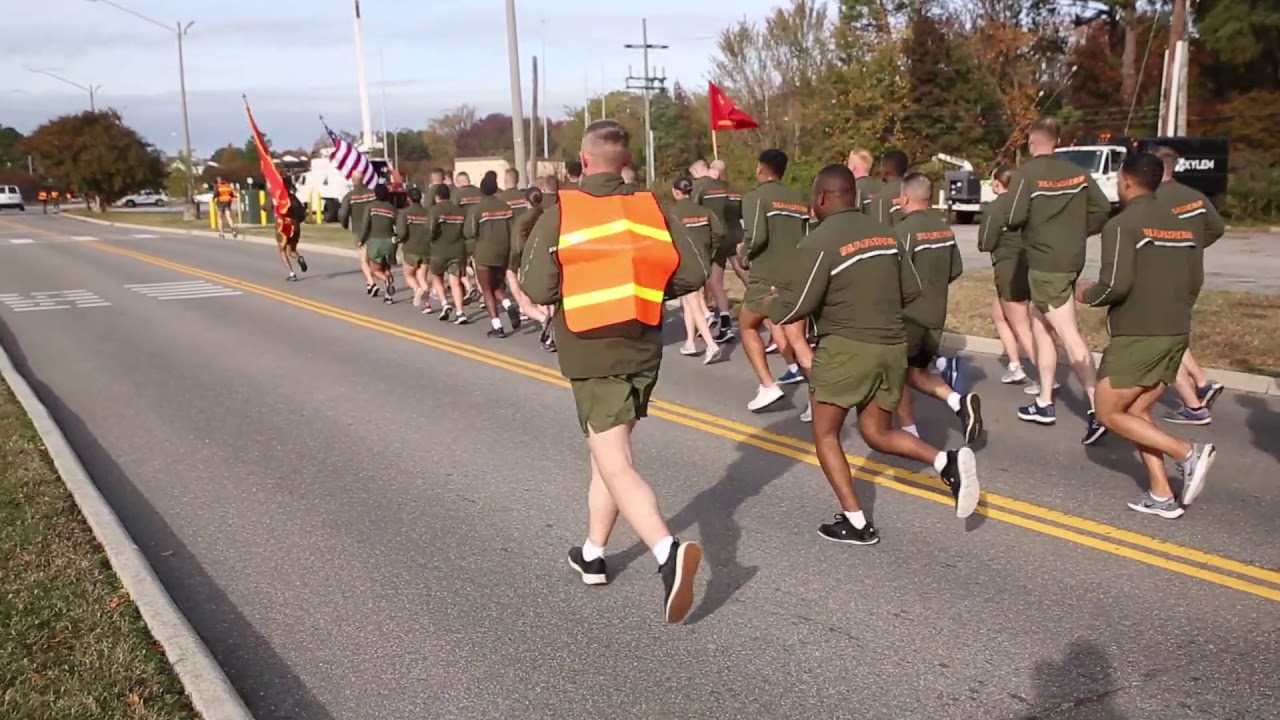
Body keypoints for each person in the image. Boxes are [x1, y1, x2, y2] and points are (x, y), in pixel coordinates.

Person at [521, 119, 707, 624]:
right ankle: (593, 553)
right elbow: (691, 273)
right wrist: (640, 290)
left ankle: (667, 553)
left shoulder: (564, 211)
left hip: (591, 349)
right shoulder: (651, 208)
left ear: (583, 162)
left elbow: (536, 287)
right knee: (608, 453)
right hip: (643, 346)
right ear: (626, 162)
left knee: (616, 461)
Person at [767, 164, 981, 544]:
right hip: (892, 348)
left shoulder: (820, 240)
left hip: (847, 351)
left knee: (825, 434)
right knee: (876, 432)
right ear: (853, 195)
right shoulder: (887, 234)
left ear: (820, 198)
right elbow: (912, 291)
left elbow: (794, 306)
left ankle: (857, 522)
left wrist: (773, 304)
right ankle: (945, 462)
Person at [1077, 151, 1215, 519]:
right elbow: (1195, 280)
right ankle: (1161, 493)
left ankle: (1186, 452)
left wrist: (1086, 293)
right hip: (1175, 330)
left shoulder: (1122, 225)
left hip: (1139, 333)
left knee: (1107, 412)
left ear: (1125, 180)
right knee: (1137, 410)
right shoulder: (1183, 225)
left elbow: (1115, 286)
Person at [1006, 117, 1112, 443]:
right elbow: (1102, 207)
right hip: (1070, 260)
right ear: (1057, 141)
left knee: (1068, 334)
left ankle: (1100, 410)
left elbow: (1013, 216)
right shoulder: (1078, 174)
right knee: (1040, 324)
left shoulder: (1027, 175)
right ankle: (1044, 402)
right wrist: (1078, 231)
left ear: (1031, 143)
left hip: (1045, 263)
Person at [891, 174, 983, 444]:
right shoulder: (943, 228)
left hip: (908, 317)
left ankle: (909, 433)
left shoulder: (904, 231)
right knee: (916, 373)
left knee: (893, 374)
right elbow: (955, 269)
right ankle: (958, 402)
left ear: (905, 198)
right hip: (935, 317)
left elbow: (894, 276)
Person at [1151, 145, 1226, 425]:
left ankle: (1194, 405)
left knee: (1162, 335)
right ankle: (1203, 383)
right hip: (1192, 273)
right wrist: (1193, 246)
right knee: (1174, 329)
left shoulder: (1153, 198)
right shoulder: (1195, 197)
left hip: (1162, 276)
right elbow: (1217, 228)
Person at [740, 149, 810, 413]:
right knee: (798, 340)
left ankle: (768, 385)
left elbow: (756, 236)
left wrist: (744, 255)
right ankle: (819, 402)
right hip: (798, 277)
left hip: (766, 278)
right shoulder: (798, 200)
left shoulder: (755, 197)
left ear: (760, 168)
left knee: (747, 327)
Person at [978, 165, 1040, 389]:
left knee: (1021, 323)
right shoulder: (1027, 205)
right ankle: (1015, 365)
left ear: (997, 182)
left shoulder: (997, 207)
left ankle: (1045, 379)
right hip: (1028, 264)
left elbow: (985, 242)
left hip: (1007, 266)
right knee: (999, 314)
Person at [668, 175, 725, 364]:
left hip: (684, 265)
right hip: (703, 263)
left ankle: (711, 344)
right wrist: (709, 250)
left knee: (692, 301)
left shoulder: (671, 213)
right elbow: (719, 233)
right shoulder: (705, 211)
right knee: (688, 301)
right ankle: (690, 341)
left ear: (676, 192)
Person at [464, 172, 520, 338]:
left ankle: (497, 326)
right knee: (497, 286)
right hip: (503, 252)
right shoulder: (506, 207)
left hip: (484, 253)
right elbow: (513, 229)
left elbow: (469, 232)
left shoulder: (476, 209)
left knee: (487, 289)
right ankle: (508, 303)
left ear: (481, 192)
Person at [427, 184, 469, 324]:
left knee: (437, 277)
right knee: (455, 282)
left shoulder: (434, 211)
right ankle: (460, 312)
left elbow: (431, 229)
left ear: (437, 196)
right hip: (457, 250)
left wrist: (432, 239)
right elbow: (466, 232)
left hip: (439, 250)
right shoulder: (460, 211)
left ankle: (445, 303)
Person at [338, 172, 378, 295]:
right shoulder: (372, 193)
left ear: (352, 180)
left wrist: (344, 224)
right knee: (372, 258)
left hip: (358, 230)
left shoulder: (349, 196)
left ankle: (371, 282)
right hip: (374, 229)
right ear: (363, 179)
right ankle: (370, 282)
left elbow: (343, 214)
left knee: (363, 259)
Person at [359, 183, 398, 304]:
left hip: (375, 241)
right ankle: (388, 296)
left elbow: (366, 225)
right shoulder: (392, 208)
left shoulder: (371, 207)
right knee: (386, 268)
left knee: (375, 269)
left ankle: (385, 280)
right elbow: (398, 226)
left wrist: (362, 239)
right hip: (389, 242)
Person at [396, 187, 434, 311]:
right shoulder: (429, 213)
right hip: (426, 249)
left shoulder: (404, 213)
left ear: (408, 199)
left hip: (410, 249)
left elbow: (401, 233)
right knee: (422, 277)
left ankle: (417, 289)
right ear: (420, 198)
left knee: (409, 275)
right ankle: (426, 304)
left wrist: (397, 240)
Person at [278, 180, 309, 282]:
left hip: (284, 227)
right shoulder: (294, 198)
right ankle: (299, 257)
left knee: (282, 251)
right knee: (292, 251)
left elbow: (266, 207)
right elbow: (302, 213)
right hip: (295, 226)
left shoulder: (278, 197)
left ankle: (292, 273)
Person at [868, 150, 908, 227]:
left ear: (885, 170)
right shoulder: (915, 192)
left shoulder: (881, 198)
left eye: (881, 166)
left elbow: (879, 231)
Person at [846, 148, 882, 214]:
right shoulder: (882, 185)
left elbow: (855, 216)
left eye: (848, 163)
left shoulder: (855, 188)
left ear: (852, 167)